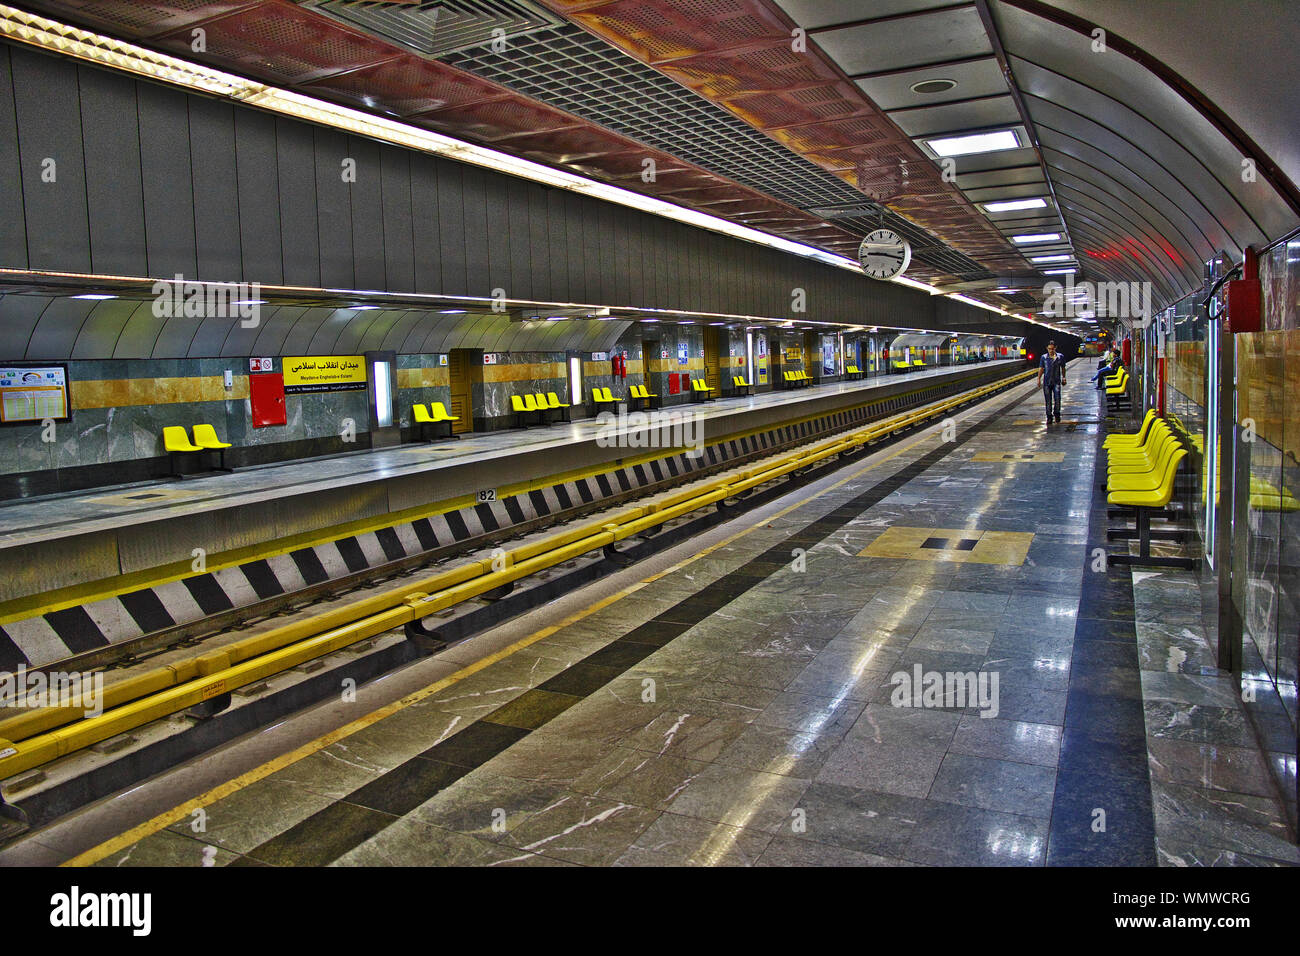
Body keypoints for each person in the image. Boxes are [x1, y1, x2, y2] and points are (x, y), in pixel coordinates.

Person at [1037, 340, 1067, 424]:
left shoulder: (1060, 357)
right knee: (1048, 400)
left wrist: (1064, 377)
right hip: (1046, 382)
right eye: (1049, 349)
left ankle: (1057, 414)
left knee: (1057, 399)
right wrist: (1038, 379)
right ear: (1047, 348)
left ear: (1055, 348)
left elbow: (1063, 368)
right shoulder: (1043, 357)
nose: (1051, 350)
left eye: (1052, 349)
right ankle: (1049, 416)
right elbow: (1041, 368)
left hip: (1056, 381)